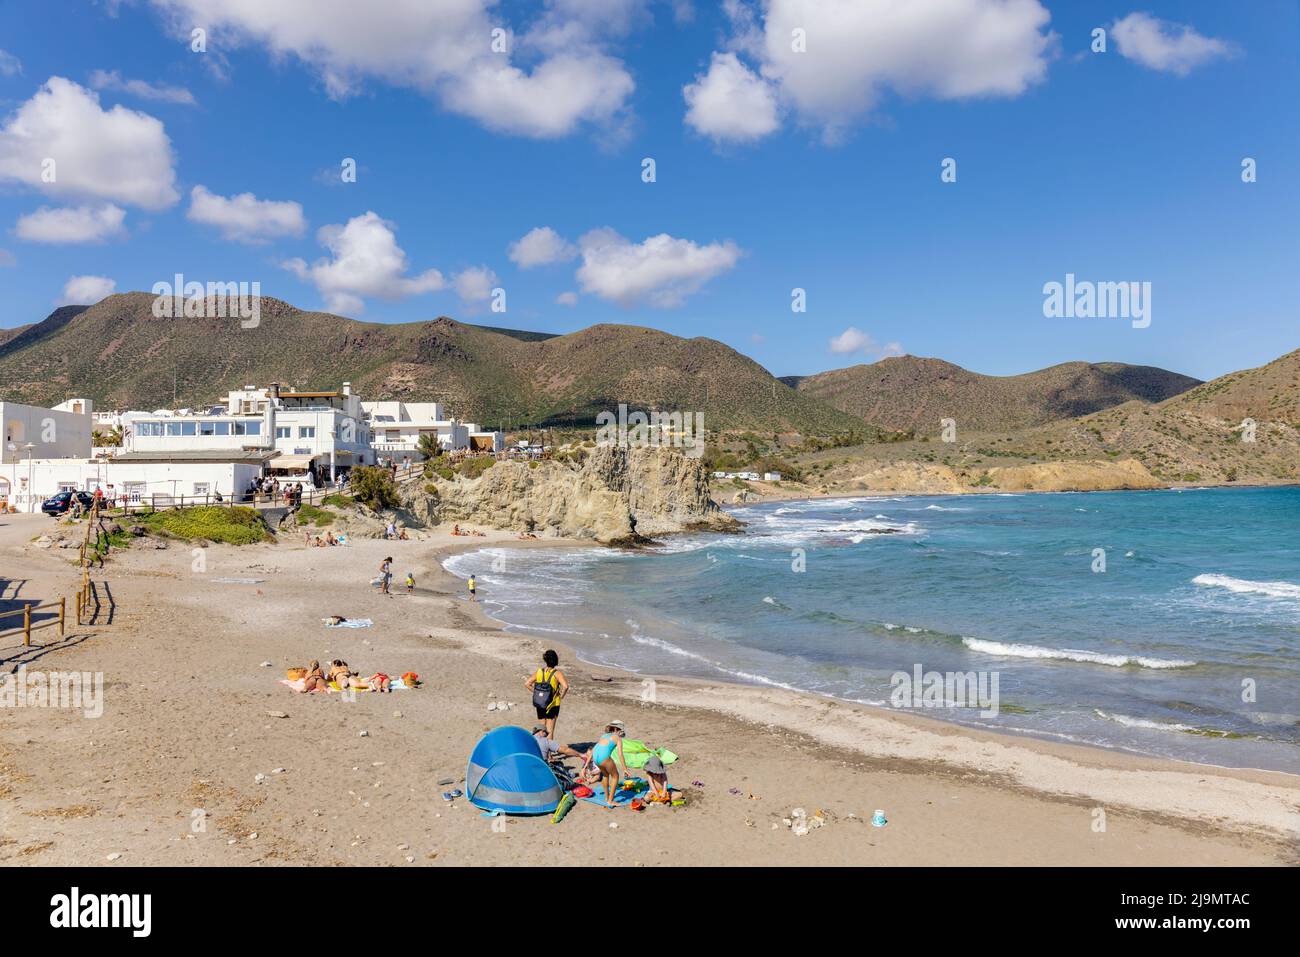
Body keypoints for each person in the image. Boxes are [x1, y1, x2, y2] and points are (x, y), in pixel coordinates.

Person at [525, 649, 568, 739]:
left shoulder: (539, 671)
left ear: (545, 660)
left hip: (540, 702)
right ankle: (548, 753)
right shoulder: (557, 673)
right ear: (555, 660)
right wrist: (561, 696)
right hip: (553, 704)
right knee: (549, 730)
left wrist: (536, 692)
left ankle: (542, 749)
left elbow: (527, 683)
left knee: (541, 728)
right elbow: (565, 686)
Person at [586, 721, 628, 808]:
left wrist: (586, 765)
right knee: (615, 776)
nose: (621, 732)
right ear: (616, 729)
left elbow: (594, 749)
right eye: (620, 730)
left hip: (595, 758)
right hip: (603, 757)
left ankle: (606, 797)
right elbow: (620, 754)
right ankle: (610, 801)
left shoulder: (603, 736)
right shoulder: (617, 738)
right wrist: (625, 769)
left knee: (605, 774)